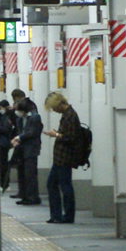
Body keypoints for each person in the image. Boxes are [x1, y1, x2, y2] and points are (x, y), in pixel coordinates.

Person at [42, 91, 79, 223]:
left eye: (53, 107)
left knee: (65, 186)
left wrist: (56, 135)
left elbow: (71, 138)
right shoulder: (67, 115)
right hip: (60, 158)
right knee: (53, 184)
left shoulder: (70, 116)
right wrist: (57, 133)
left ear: (58, 104)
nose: (53, 110)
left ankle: (67, 216)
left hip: (65, 157)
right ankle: (56, 215)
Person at [11, 98, 42, 205]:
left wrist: (18, 138)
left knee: (30, 175)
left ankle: (32, 197)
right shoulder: (19, 120)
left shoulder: (35, 117)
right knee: (22, 174)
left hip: (31, 149)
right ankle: (24, 196)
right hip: (21, 149)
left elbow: (32, 132)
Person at [0, 99, 14, 192]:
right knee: (2, 164)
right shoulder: (3, 116)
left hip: (4, 143)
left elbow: (6, 129)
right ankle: (3, 183)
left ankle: (5, 183)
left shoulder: (7, 117)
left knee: (3, 164)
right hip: (2, 143)